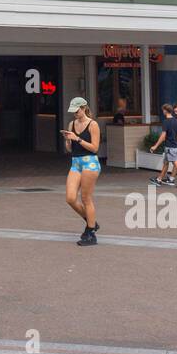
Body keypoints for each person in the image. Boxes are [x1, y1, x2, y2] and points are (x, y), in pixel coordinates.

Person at [61, 96, 102, 246]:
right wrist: (68, 140)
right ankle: (91, 222)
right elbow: (69, 149)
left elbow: (95, 148)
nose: (75, 114)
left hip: (90, 163)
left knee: (86, 198)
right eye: (73, 112)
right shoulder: (72, 123)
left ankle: (91, 233)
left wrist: (77, 138)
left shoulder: (93, 125)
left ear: (84, 108)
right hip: (76, 163)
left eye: (77, 111)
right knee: (70, 198)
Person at [150, 104, 177, 187]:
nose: (163, 111)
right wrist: (175, 139)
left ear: (165, 110)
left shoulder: (166, 122)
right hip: (173, 145)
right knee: (166, 163)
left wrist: (155, 146)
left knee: (175, 162)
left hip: (169, 146)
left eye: (163, 110)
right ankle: (159, 179)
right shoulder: (176, 120)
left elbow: (163, 136)